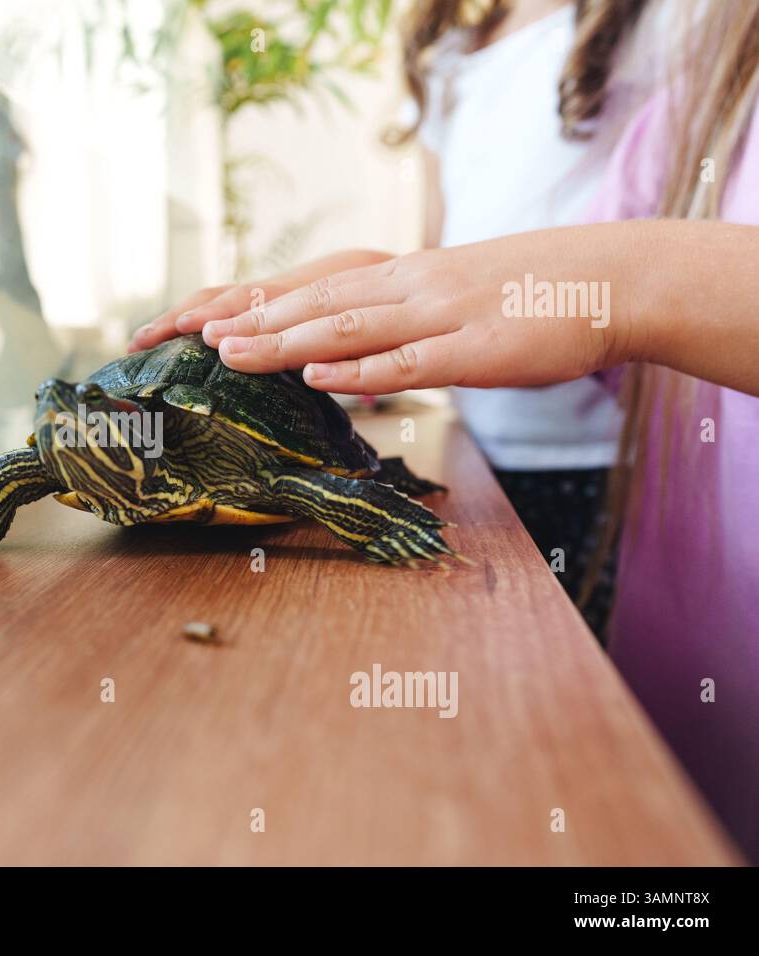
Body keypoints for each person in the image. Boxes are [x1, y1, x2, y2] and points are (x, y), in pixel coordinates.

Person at [142, 0, 759, 861]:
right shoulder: (701, 99)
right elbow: (561, 302)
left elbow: (613, 285)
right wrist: (379, 288)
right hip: (672, 703)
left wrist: (636, 281)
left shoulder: (678, 38)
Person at [132, 0, 668, 635]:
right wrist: (364, 298)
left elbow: (670, 261)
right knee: (491, 636)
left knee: (577, 656)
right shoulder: (447, 57)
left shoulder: (664, 25)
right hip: (479, 442)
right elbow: (443, 264)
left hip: (602, 453)